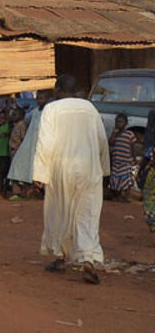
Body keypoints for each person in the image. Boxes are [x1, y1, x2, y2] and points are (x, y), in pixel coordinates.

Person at [34, 75, 108, 284]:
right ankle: (88, 260)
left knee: (60, 212)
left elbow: (45, 143)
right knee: (88, 214)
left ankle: (61, 256)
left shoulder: (52, 109)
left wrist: (40, 173)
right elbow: (102, 140)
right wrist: (103, 169)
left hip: (61, 168)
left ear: (58, 91)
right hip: (89, 168)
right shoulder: (90, 109)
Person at [9, 90, 51, 194]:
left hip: (43, 143)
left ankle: (39, 190)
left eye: (42, 98)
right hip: (30, 142)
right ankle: (22, 190)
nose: (39, 101)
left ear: (47, 99)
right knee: (18, 162)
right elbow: (26, 121)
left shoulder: (49, 112)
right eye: (38, 98)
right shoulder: (35, 111)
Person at [107, 112, 139, 199]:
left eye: (120, 122)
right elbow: (111, 143)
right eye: (117, 122)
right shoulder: (115, 134)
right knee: (115, 179)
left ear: (125, 124)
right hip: (116, 161)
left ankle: (126, 196)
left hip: (126, 161)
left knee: (127, 179)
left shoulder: (129, 134)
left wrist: (134, 158)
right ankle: (117, 195)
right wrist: (114, 133)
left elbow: (133, 147)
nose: (118, 124)